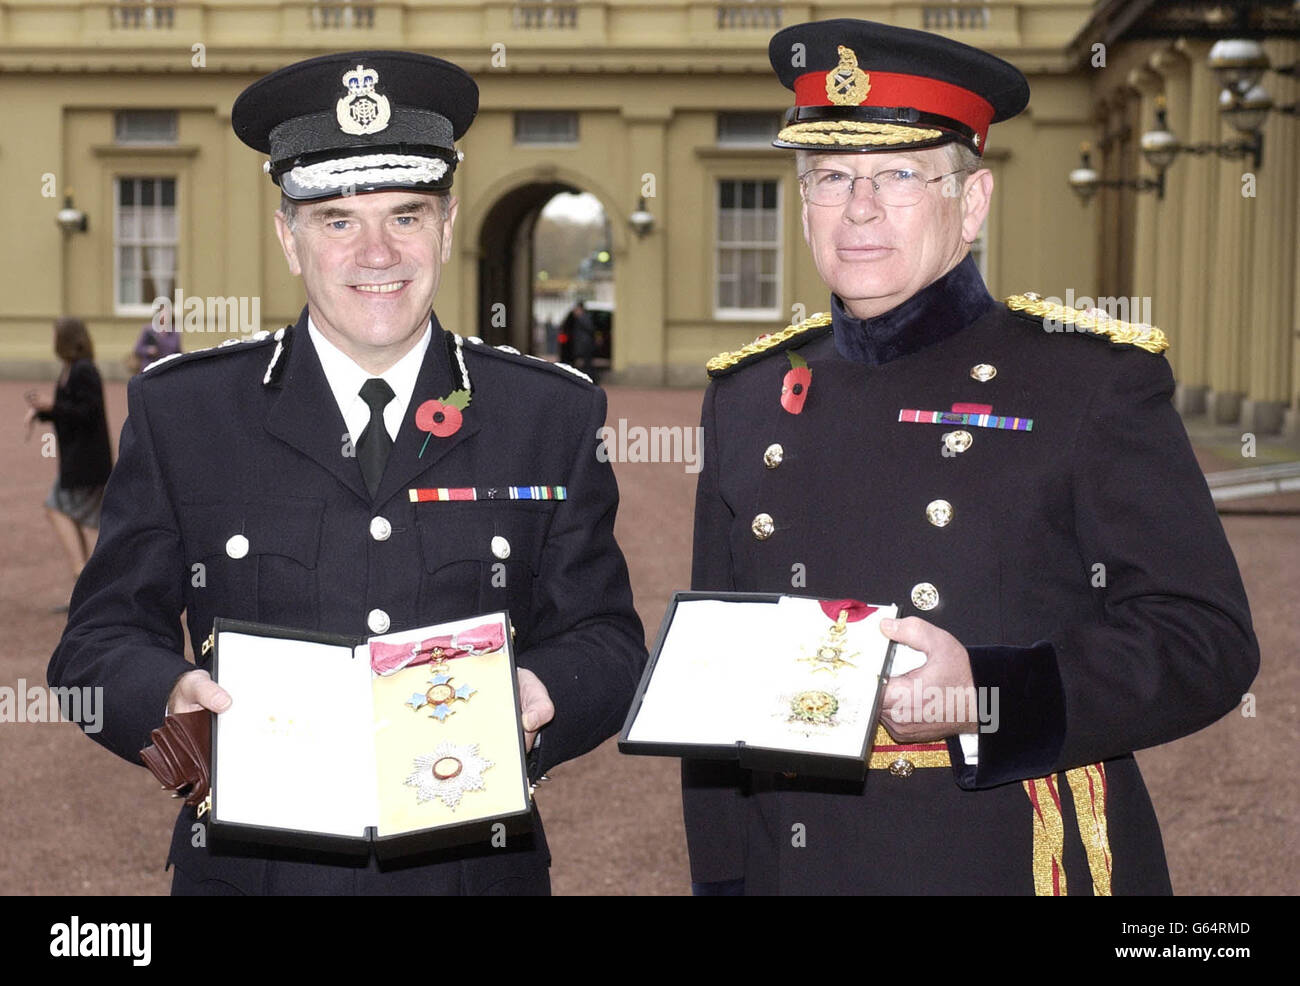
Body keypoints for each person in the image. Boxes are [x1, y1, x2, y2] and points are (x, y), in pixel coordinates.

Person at [682, 19, 1259, 895]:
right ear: (803, 201)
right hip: (804, 860)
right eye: (830, 177)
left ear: (974, 200)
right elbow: (719, 695)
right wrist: (727, 882)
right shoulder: (749, 394)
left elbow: (1203, 638)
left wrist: (986, 695)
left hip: (1006, 854)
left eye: (900, 175)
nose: (859, 208)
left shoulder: (1086, 380)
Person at [48, 50, 646, 895]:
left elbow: (611, 642)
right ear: (288, 236)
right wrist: (169, 696)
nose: (376, 253)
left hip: (470, 874)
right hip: (253, 876)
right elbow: (91, 650)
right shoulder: (187, 414)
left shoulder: (547, 415)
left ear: (445, 226)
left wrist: (545, 692)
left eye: (405, 216)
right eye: (336, 219)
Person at [25, 317, 113, 591]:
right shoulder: (71, 368)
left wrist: (52, 405)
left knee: (57, 508)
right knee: (80, 516)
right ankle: (87, 580)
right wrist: (42, 411)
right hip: (78, 462)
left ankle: (82, 575)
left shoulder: (83, 370)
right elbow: (69, 410)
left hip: (86, 463)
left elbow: (88, 412)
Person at [126, 303, 182, 374]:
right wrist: (148, 350)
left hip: (167, 370)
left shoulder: (175, 334)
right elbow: (137, 349)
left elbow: (178, 352)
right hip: (150, 369)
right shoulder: (149, 330)